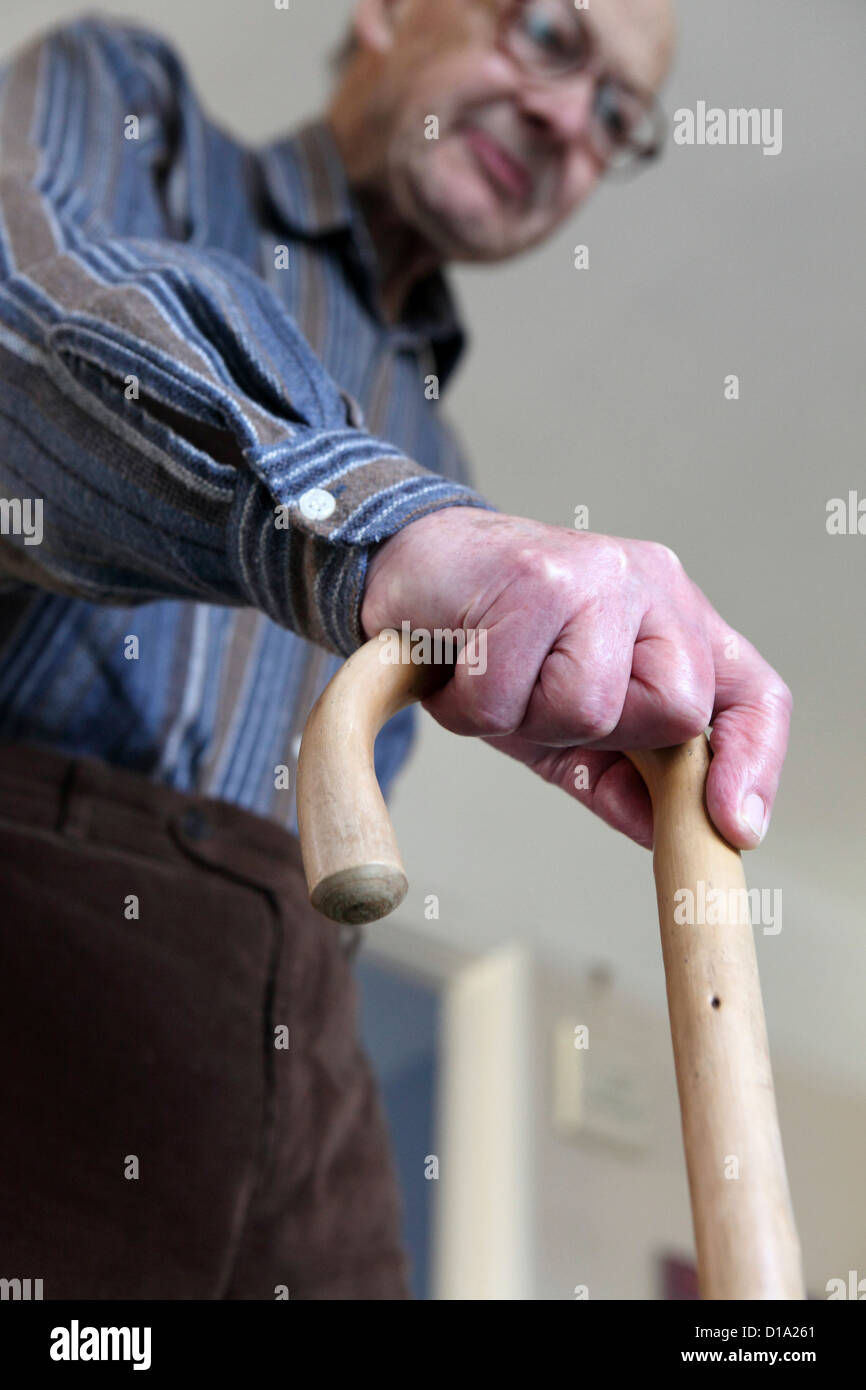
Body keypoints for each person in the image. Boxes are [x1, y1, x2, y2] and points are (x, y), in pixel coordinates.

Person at [0, 0, 790, 1299]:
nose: (562, 121)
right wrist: (384, 530)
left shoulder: (451, 469)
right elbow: (17, 319)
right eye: (546, 33)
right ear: (384, 10)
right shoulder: (127, 105)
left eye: (614, 117)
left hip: (294, 1057)